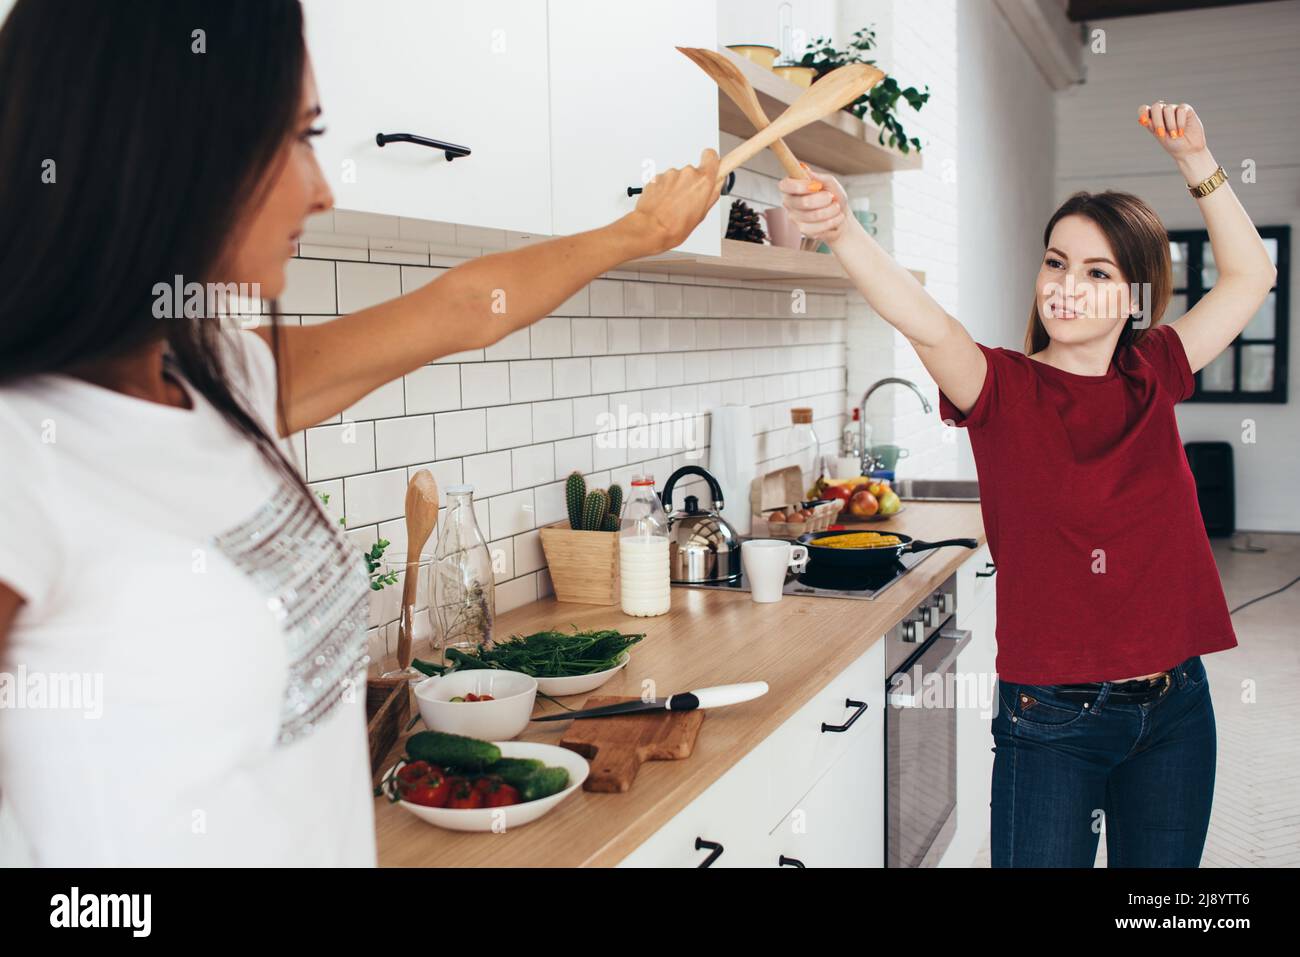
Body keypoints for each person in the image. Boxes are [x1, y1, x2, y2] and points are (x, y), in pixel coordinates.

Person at [0, 0, 721, 865]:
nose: (323, 185)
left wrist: (641, 230)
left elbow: (460, 312)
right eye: (297, 136)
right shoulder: (24, 453)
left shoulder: (215, 374)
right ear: (165, 150)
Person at [780, 100, 1274, 867]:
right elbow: (927, 323)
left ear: (1134, 296)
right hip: (1053, 721)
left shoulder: (1155, 372)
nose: (1066, 285)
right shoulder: (999, 388)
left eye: (1097, 271)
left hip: (1177, 707)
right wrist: (844, 231)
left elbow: (1252, 274)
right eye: (1056, 261)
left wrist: (1196, 162)